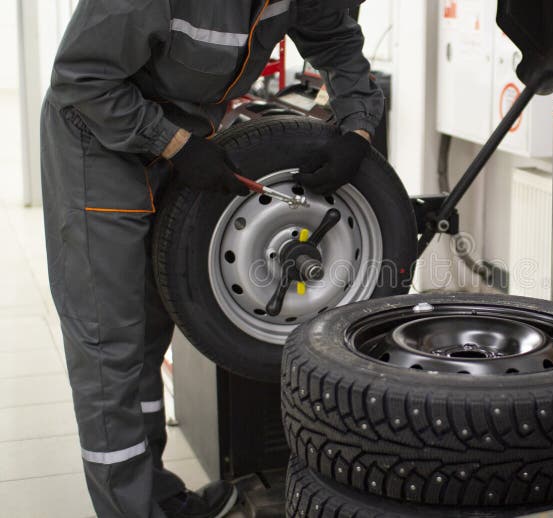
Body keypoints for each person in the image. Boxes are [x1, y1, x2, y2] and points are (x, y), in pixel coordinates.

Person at [40, 1, 383, 516]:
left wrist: (357, 131)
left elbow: (334, 39)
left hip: (178, 145)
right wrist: (176, 144)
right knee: (110, 342)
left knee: (150, 329)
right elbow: (81, 78)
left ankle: (153, 496)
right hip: (98, 146)